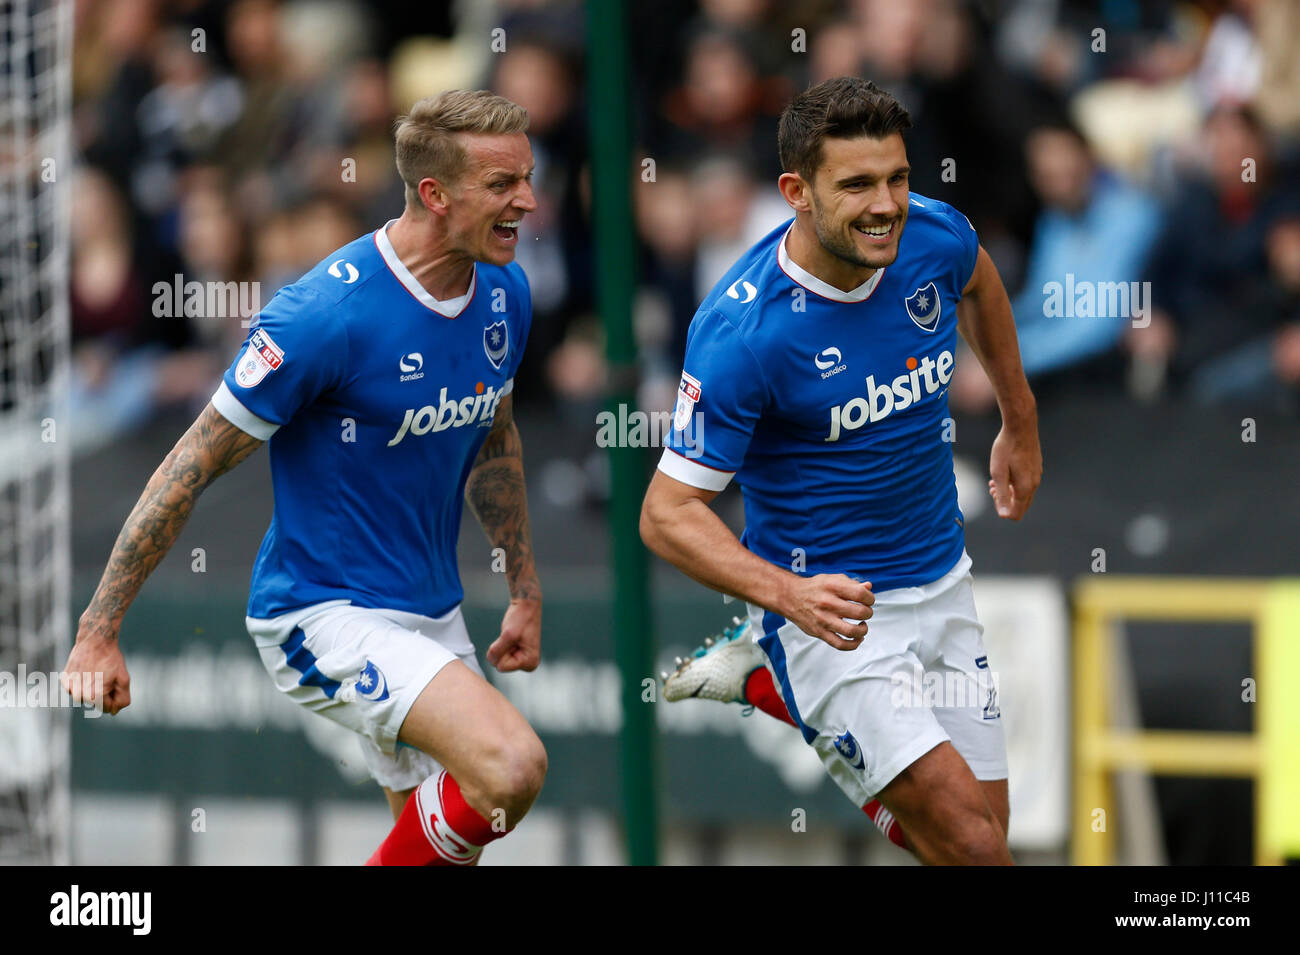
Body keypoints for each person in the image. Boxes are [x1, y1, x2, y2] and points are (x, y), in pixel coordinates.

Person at [64, 90, 547, 866]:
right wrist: (98, 631)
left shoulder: (505, 293)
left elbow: (495, 435)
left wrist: (521, 585)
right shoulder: (324, 315)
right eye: (502, 185)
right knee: (512, 767)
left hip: (433, 612)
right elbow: (189, 466)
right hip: (322, 610)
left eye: (526, 177)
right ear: (434, 193)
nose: (527, 200)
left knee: (444, 845)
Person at [640, 77, 1042, 865]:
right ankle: (777, 659)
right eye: (857, 184)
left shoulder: (934, 236)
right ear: (796, 191)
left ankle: (763, 684)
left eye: (896, 177)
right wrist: (787, 595)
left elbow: (981, 283)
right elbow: (666, 512)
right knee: (973, 847)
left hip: (942, 578)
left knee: (982, 842)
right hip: (827, 616)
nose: (886, 203)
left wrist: (1018, 422)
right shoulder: (742, 333)